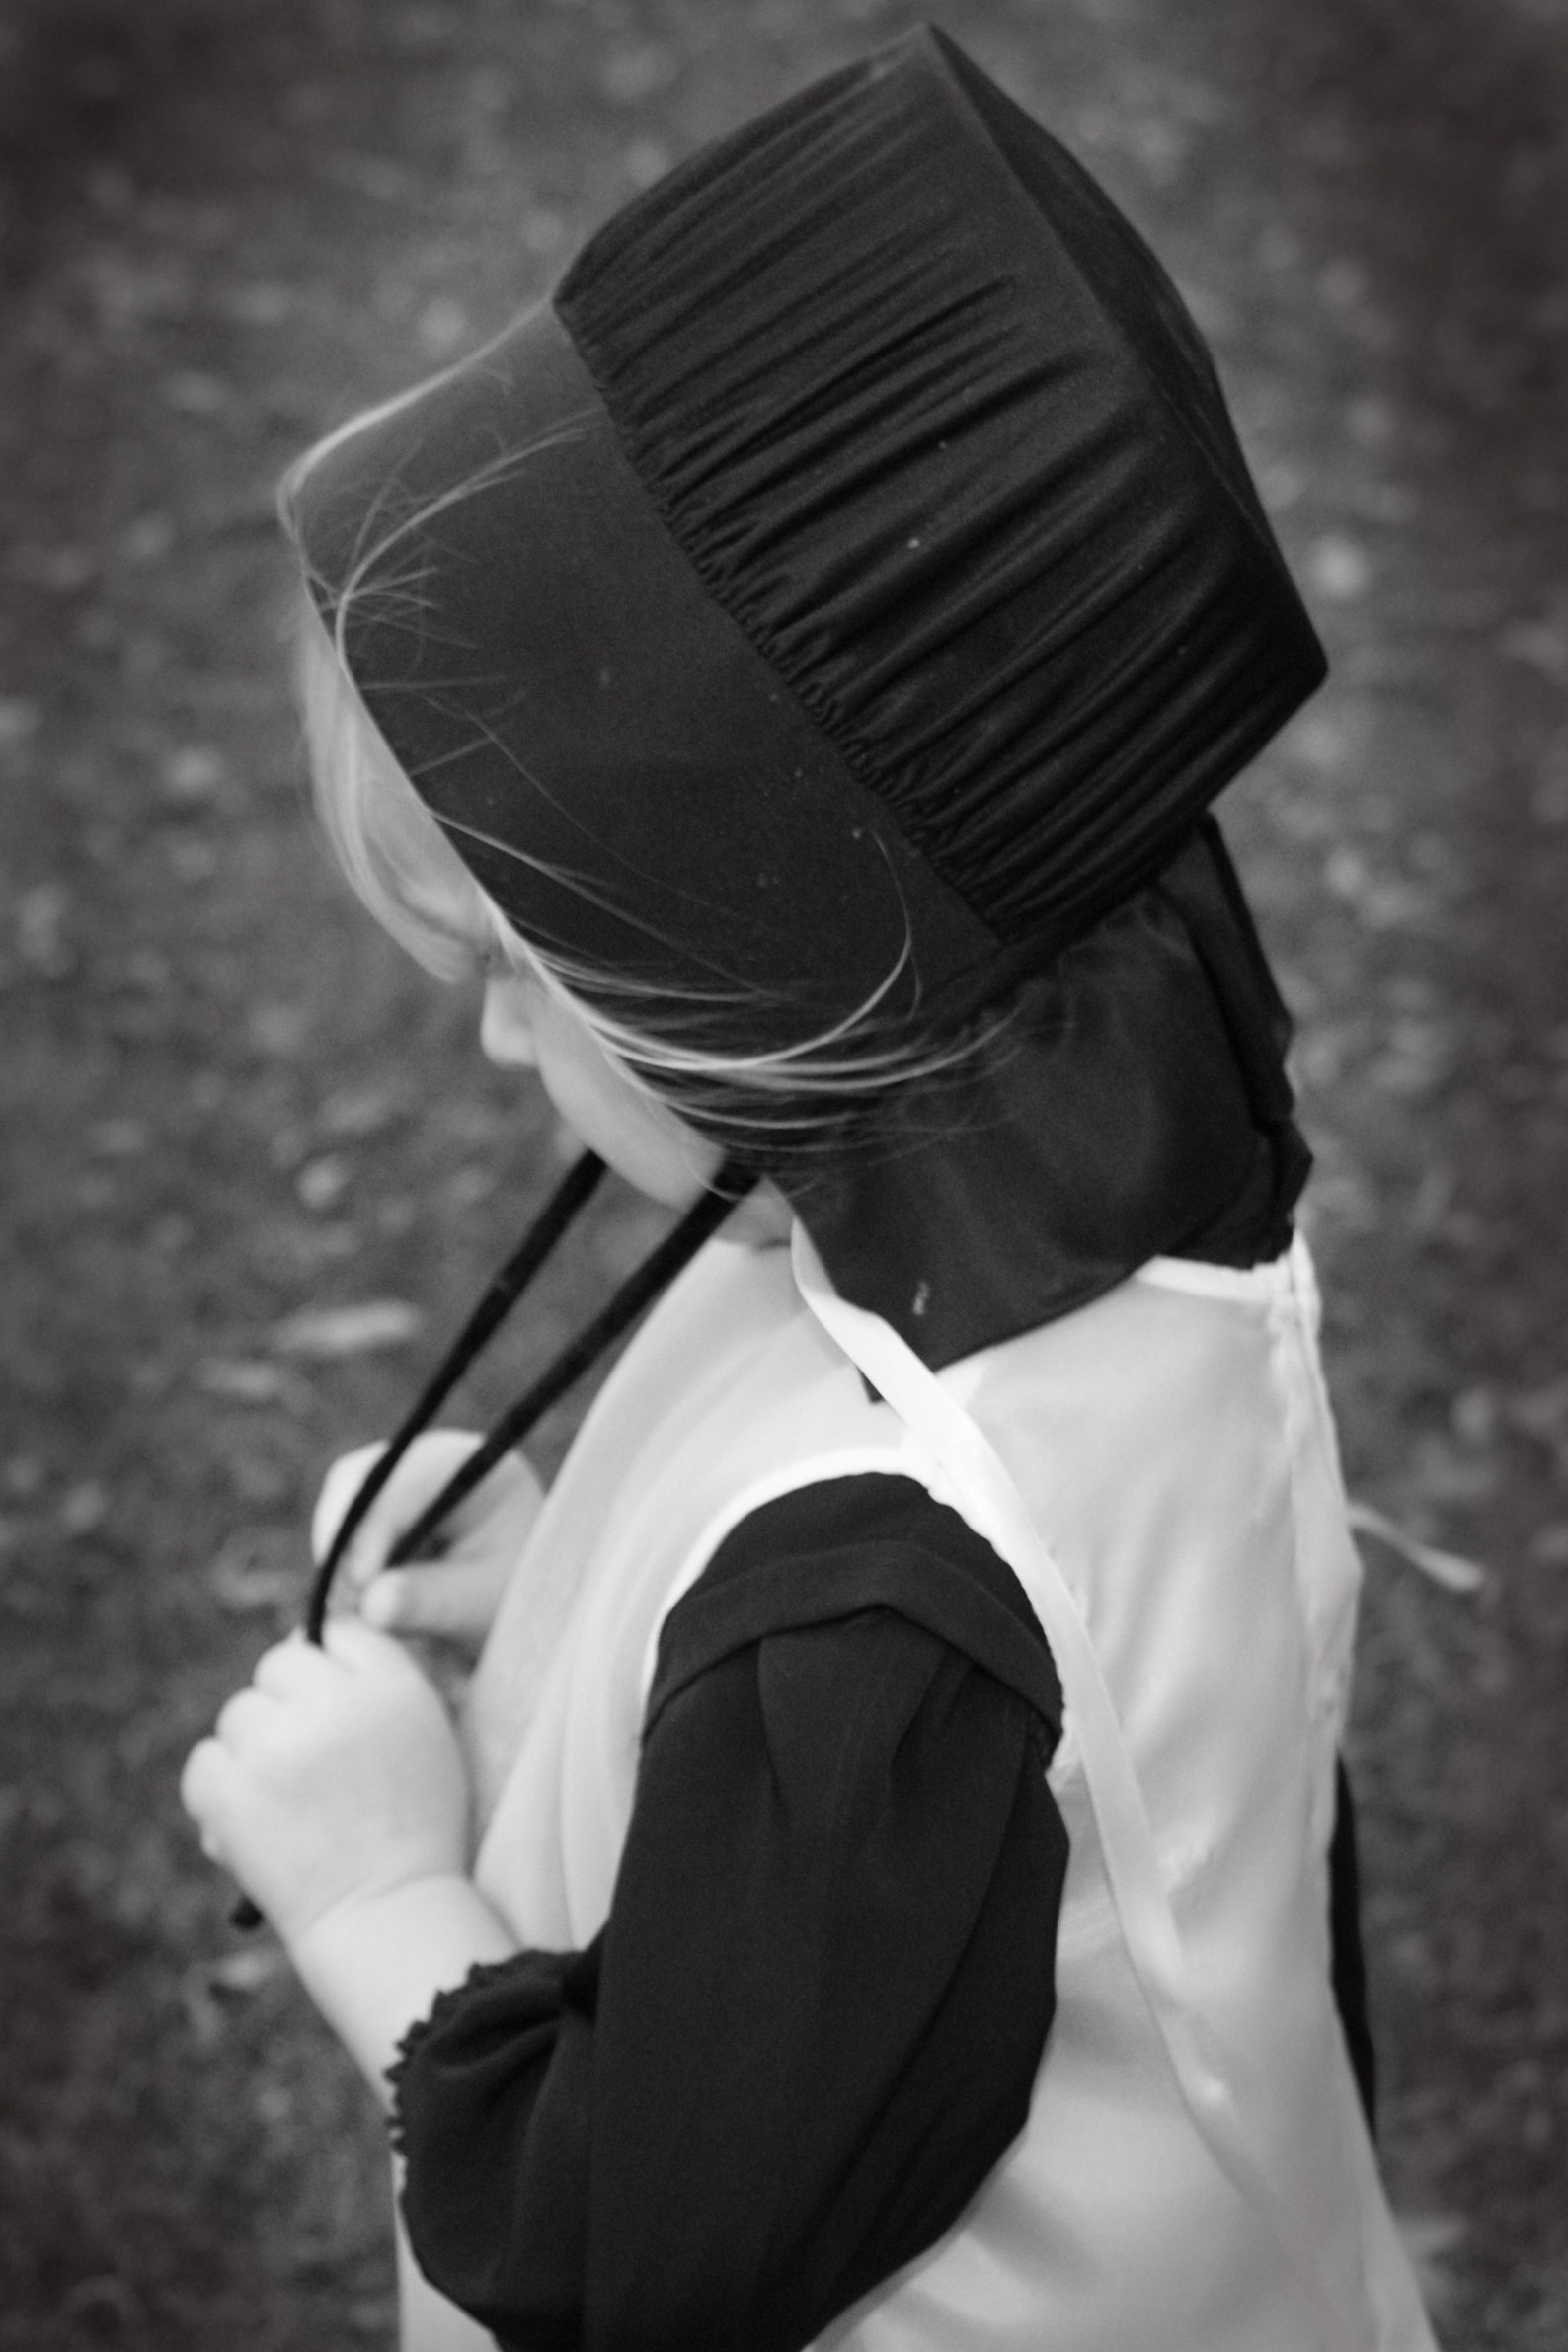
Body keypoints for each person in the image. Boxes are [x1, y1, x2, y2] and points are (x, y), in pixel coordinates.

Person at [181, 29, 1439, 2352]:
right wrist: (577, 1594)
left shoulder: (877, 1636)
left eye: (519, 970)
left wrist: (372, 1892)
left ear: (760, 951)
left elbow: (657, 2254)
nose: (490, 1043)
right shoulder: (1068, 1225)